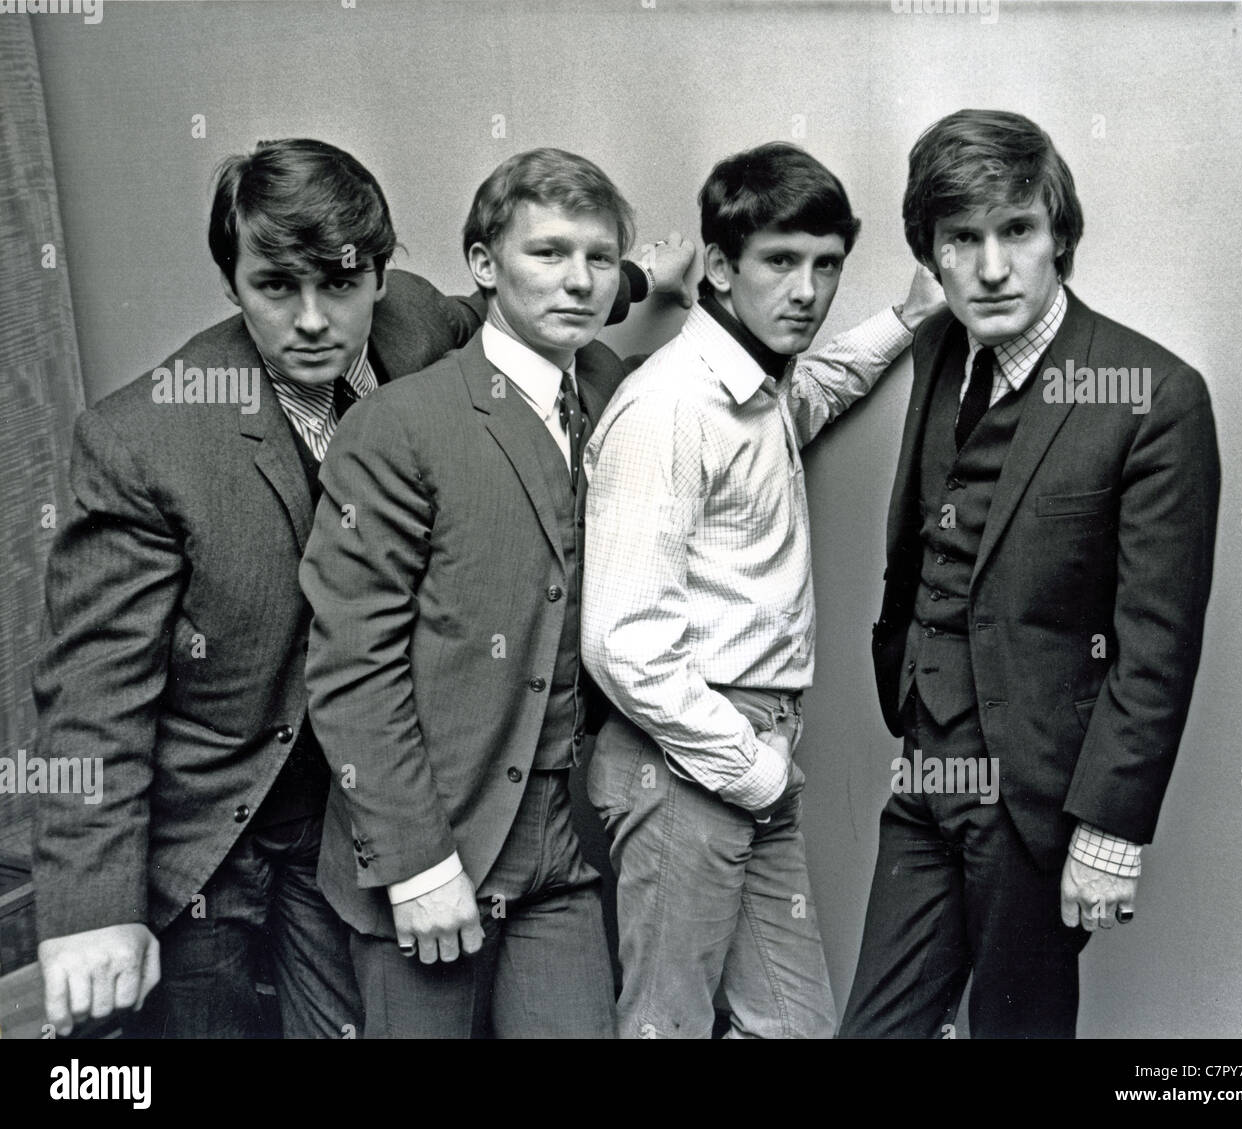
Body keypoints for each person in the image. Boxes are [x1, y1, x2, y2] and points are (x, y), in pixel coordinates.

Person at [32, 137, 689, 1038]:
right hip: (209, 827)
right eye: (275, 287)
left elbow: (519, 307)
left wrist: (642, 281)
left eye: (340, 285)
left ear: (380, 275)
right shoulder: (143, 440)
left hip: (352, 813)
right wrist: (89, 908)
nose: (313, 320)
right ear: (232, 282)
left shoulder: (416, 326)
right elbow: (92, 698)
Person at [839, 109, 1220, 1038]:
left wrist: (1110, 829)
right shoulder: (936, 350)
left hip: (1038, 796)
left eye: (1018, 231)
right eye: (961, 239)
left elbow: (1156, 645)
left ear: (1060, 237)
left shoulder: (1149, 394)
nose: (993, 266)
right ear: (931, 253)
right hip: (931, 765)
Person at [580, 141, 945, 1039]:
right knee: (664, 1026)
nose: (808, 292)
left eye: (826, 266)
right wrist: (755, 768)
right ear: (717, 266)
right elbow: (622, 642)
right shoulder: (669, 408)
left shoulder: (756, 388)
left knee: (793, 1027)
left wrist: (904, 318)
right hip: (687, 756)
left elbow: (813, 389)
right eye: (780, 262)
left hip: (751, 757)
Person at [298, 147, 664, 1038]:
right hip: (429, 845)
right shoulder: (398, 426)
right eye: (546, 254)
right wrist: (417, 866)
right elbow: (352, 666)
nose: (577, 280)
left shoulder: (619, 390)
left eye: (599, 258)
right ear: (482, 264)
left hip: (560, 843)